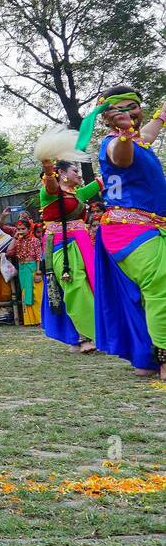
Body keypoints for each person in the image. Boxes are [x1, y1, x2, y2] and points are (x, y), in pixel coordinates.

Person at [87, 85, 166, 377]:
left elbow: (146, 136)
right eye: (123, 108)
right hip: (131, 229)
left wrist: (161, 116)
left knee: (149, 294)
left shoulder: (138, 140)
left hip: (143, 228)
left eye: (135, 106)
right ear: (108, 117)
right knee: (161, 289)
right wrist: (122, 134)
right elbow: (122, 156)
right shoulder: (113, 144)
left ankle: (146, 360)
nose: (132, 113)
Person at [39, 157, 99, 353]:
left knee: (91, 284)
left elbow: (102, 181)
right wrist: (48, 170)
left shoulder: (78, 194)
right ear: (62, 174)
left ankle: (84, 335)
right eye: (75, 171)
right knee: (75, 286)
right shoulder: (50, 193)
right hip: (61, 245)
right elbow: (50, 184)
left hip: (81, 243)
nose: (79, 175)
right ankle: (85, 336)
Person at [11, 215, 44, 326]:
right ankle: (29, 320)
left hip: (32, 267)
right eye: (19, 229)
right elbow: (10, 251)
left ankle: (40, 319)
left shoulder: (35, 240)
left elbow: (39, 256)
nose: (20, 231)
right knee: (25, 292)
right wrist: (15, 238)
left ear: (29, 229)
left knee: (36, 292)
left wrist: (38, 271)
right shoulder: (18, 241)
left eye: (23, 229)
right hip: (22, 268)